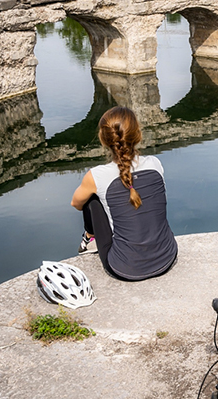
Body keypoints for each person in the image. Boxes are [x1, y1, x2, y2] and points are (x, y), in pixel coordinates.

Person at [70, 106, 178, 281]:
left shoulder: (96, 175)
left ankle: (89, 240)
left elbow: (76, 204)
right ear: (138, 134)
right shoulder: (155, 164)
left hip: (125, 268)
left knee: (91, 200)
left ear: (103, 139)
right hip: (167, 257)